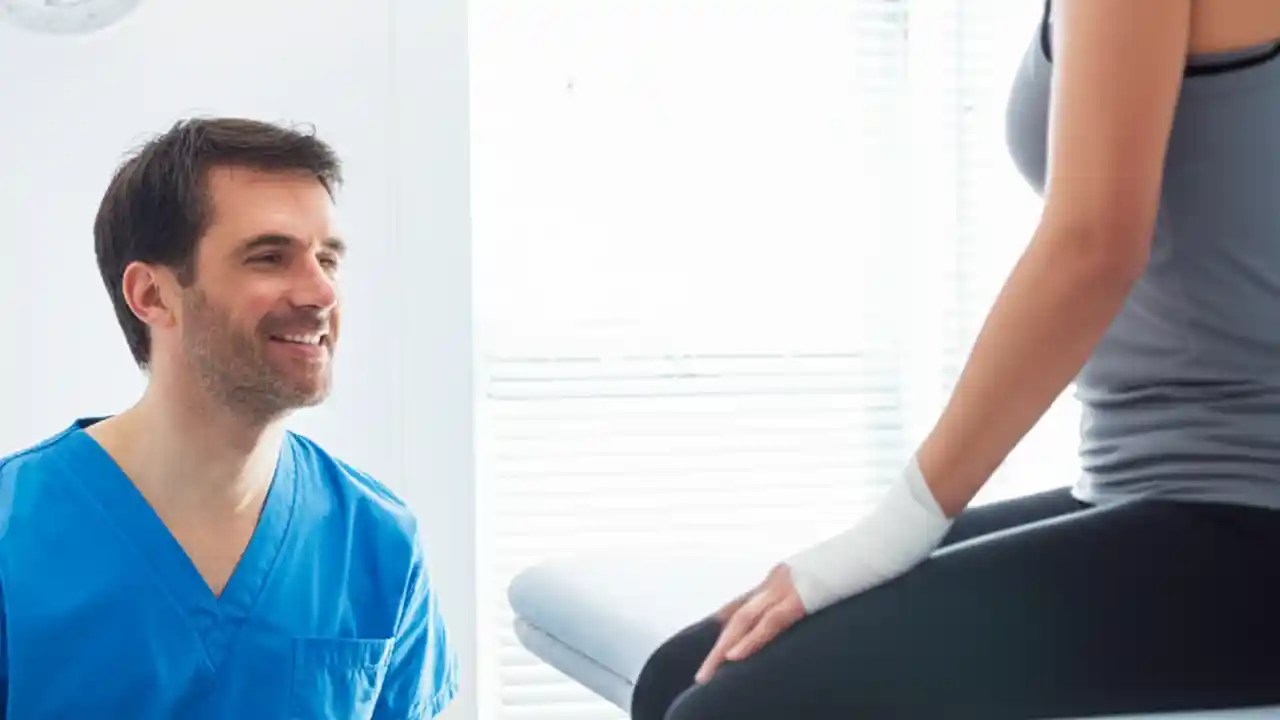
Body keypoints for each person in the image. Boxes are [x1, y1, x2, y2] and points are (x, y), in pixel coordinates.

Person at [631, 1, 1280, 718]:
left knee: (727, 710)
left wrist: (883, 540)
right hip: (1156, 488)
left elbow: (1093, 248)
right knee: (684, 674)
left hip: (1247, 521)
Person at [0, 118, 458, 718]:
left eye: (329, 259)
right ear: (152, 295)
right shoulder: (14, 533)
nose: (321, 292)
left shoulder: (378, 543)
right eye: (270, 257)